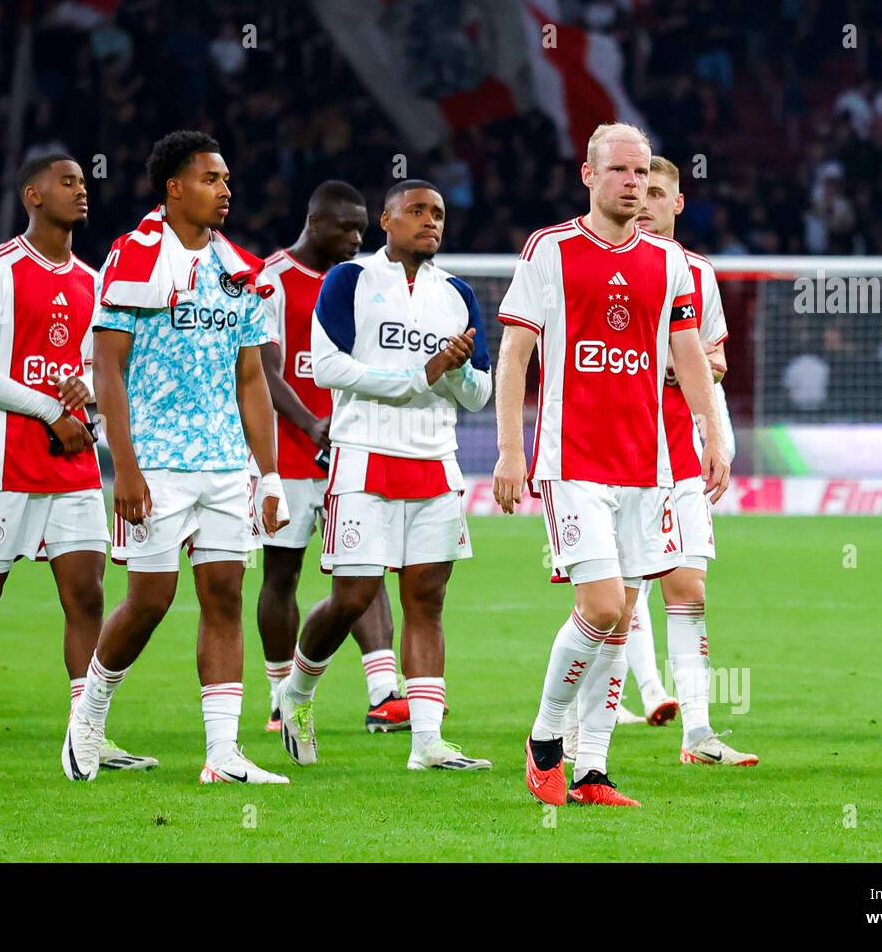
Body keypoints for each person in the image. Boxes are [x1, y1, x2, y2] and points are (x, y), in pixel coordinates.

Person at [493, 124, 731, 807]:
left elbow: (687, 355)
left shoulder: (669, 262)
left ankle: (592, 769)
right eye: (619, 171)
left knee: (621, 620)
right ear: (589, 176)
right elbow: (515, 353)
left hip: (646, 465)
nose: (632, 182)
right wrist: (512, 448)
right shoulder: (551, 249)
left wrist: (711, 432)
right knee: (599, 608)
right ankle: (545, 740)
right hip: (573, 460)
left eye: (639, 172)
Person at [0, 155, 154, 774]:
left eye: (84, 182)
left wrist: (86, 389)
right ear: (33, 194)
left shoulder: (95, 281)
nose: (81, 191)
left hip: (72, 463)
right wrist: (50, 409)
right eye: (67, 181)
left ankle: (86, 733)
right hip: (2, 463)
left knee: (87, 595)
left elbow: (107, 373)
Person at [65, 130, 291, 785]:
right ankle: (88, 717)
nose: (225, 190)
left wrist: (269, 474)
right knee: (150, 599)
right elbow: (108, 366)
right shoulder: (131, 258)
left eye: (226, 180)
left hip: (225, 466)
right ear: (173, 187)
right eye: (210, 179)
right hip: (155, 463)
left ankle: (222, 756)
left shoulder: (241, 271)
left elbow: (252, 378)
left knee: (225, 595)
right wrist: (124, 467)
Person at [276, 179, 493, 772]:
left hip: (434, 460)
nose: (431, 221)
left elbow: (479, 393)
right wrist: (420, 375)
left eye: (439, 213)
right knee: (353, 596)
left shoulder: (458, 294)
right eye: (417, 210)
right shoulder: (349, 281)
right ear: (387, 220)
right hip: (364, 453)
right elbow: (326, 369)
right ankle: (294, 693)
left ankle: (427, 742)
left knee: (428, 600)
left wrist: (450, 372)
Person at [564, 154, 756, 767]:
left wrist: (712, 435)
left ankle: (697, 734)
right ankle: (576, 728)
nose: (642, 199)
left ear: (676, 203)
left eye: (656, 191)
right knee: (611, 603)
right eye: (636, 187)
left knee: (688, 588)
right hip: (608, 452)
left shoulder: (694, 273)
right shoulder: (588, 259)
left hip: (676, 450)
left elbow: (715, 362)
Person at [255, 180, 407, 734]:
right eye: (347, 228)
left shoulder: (363, 282)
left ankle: (384, 690)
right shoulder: (271, 281)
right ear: (314, 222)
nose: (357, 238)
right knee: (282, 573)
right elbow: (264, 370)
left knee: (365, 567)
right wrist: (310, 425)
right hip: (287, 455)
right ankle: (279, 693)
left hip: (351, 449)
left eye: (363, 229)